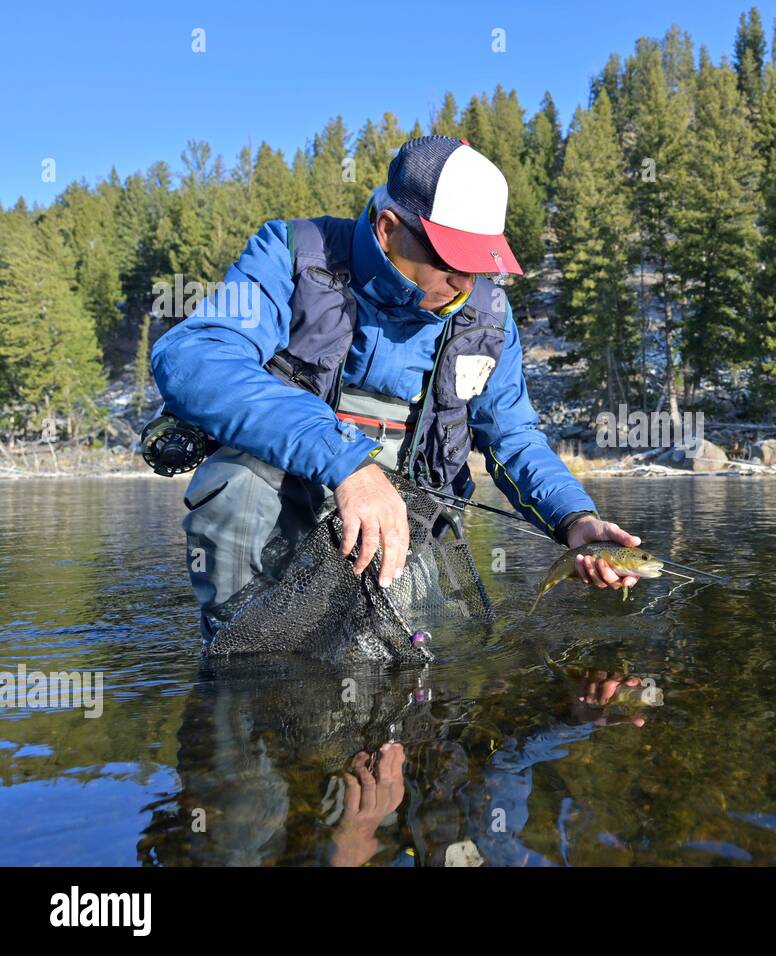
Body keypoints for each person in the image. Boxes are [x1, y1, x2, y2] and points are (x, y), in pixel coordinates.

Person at [151, 136, 642, 641]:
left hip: (410, 522)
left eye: (479, 266)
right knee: (239, 486)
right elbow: (193, 360)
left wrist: (575, 520)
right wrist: (348, 464)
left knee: (391, 667)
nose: (467, 284)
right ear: (389, 229)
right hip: (288, 499)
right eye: (452, 263)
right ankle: (245, 671)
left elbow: (513, 437)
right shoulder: (293, 255)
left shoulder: (489, 317)